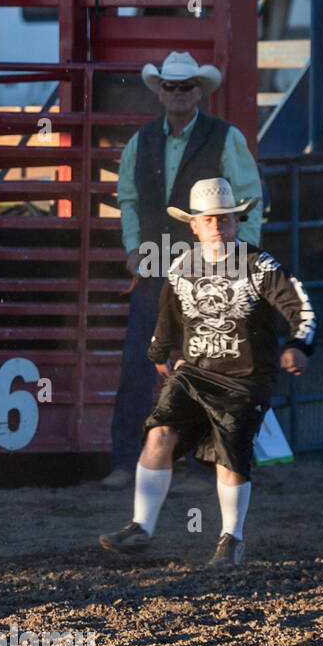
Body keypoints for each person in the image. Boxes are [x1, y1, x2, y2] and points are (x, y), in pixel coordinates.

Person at [99, 178, 316, 567]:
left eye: (224, 218)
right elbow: (167, 319)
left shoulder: (260, 265)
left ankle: (232, 538)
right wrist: (159, 350)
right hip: (195, 373)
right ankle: (141, 527)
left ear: (237, 221)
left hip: (246, 379)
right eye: (208, 219)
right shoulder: (182, 267)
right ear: (194, 226)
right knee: (160, 431)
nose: (216, 225)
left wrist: (299, 345)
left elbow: (301, 308)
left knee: (229, 455)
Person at [104, 51, 262, 493]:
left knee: (208, 363)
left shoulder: (224, 137)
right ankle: (126, 462)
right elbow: (128, 198)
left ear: (199, 92)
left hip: (208, 267)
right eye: (171, 87)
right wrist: (133, 248)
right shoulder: (144, 140)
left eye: (185, 87)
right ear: (160, 91)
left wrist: (239, 258)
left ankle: (200, 467)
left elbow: (250, 199)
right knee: (139, 363)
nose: (177, 94)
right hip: (156, 264)